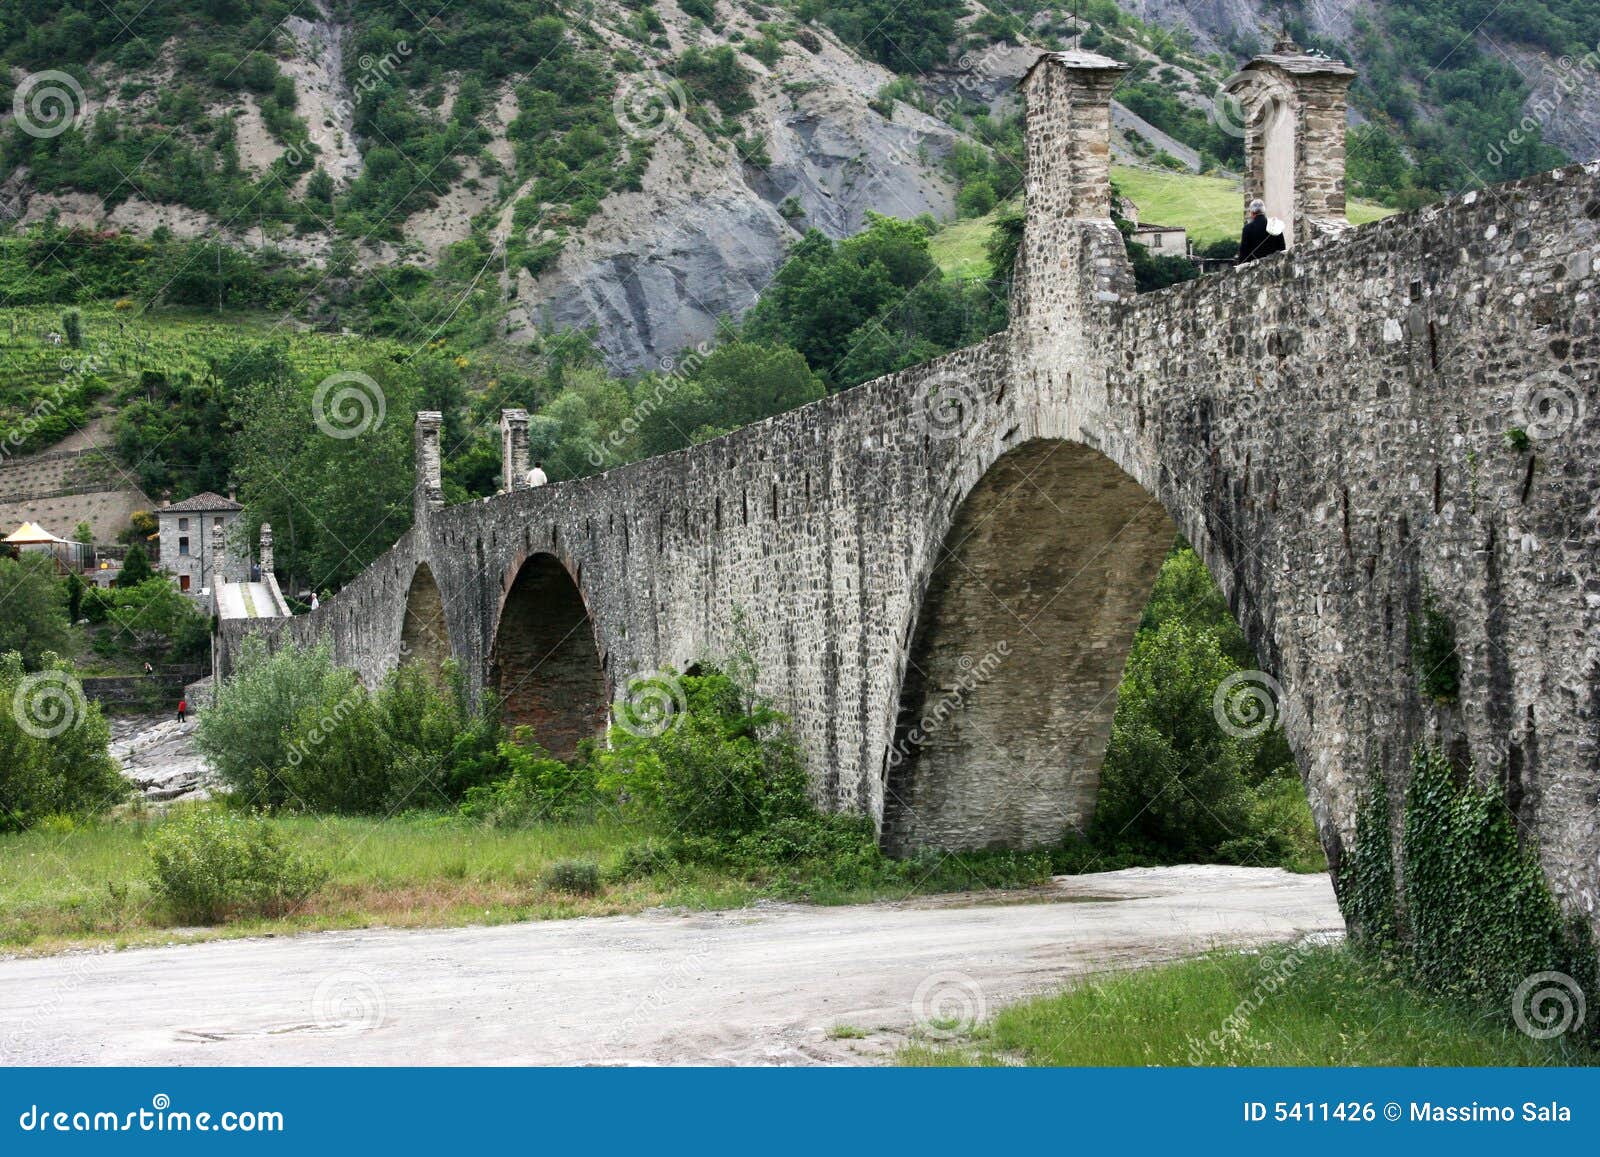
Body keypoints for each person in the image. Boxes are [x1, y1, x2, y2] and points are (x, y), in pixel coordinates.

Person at [1237, 198, 1286, 264]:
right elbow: (1282, 247)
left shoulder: (1247, 228)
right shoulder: (1274, 225)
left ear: (1252, 213)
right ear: (1264, 211)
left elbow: (1243, 252)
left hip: (1254, 268)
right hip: (1274, 265)